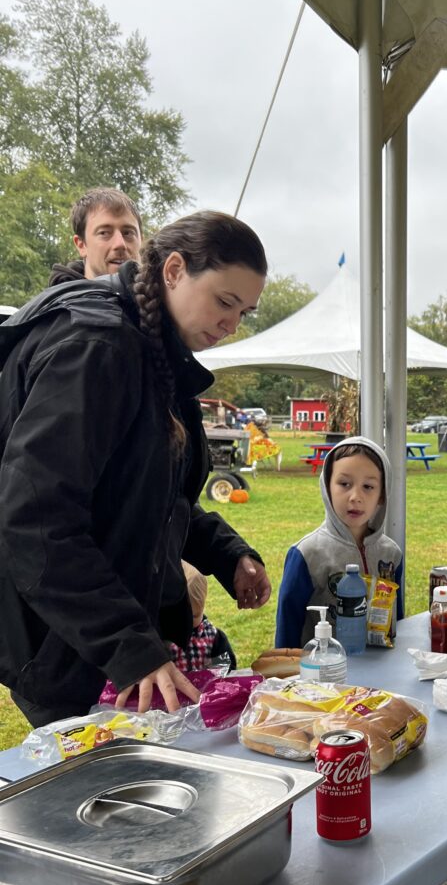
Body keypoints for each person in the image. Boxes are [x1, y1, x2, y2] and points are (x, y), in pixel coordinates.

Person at [0, 210, 272, 726]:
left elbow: (152, 498)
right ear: (173, 271)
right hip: (68, 649)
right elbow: (35, 519)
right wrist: (129, 647)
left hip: (114, 644)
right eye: (224, 302)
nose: (231, 324)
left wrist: (226, 553)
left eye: (244, 312)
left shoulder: (157, 350)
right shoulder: (97, 346)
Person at [275, 437, 403, 647]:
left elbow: (398, 624)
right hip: (322, 673)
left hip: (380, 672)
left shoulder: (391, 554)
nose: (355, 496)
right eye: (344, 484)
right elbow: (287, 629)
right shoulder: (307, 554)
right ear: (327, 486)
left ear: (382, 495)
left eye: (368, 486)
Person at [49, 187, 143, 285]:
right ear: (81, 245)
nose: (120, 244)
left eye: (127, 233)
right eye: (104, 233)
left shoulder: (157, 297)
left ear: (141, 240)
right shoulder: (58, 300)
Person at [168, 562, 236, 673]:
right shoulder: (163, 641)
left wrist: (217, 668)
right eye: (179, 618)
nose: (187, 623)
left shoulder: (212, 637)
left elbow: (229, 667)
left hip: (208, 689)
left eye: (194, 616)